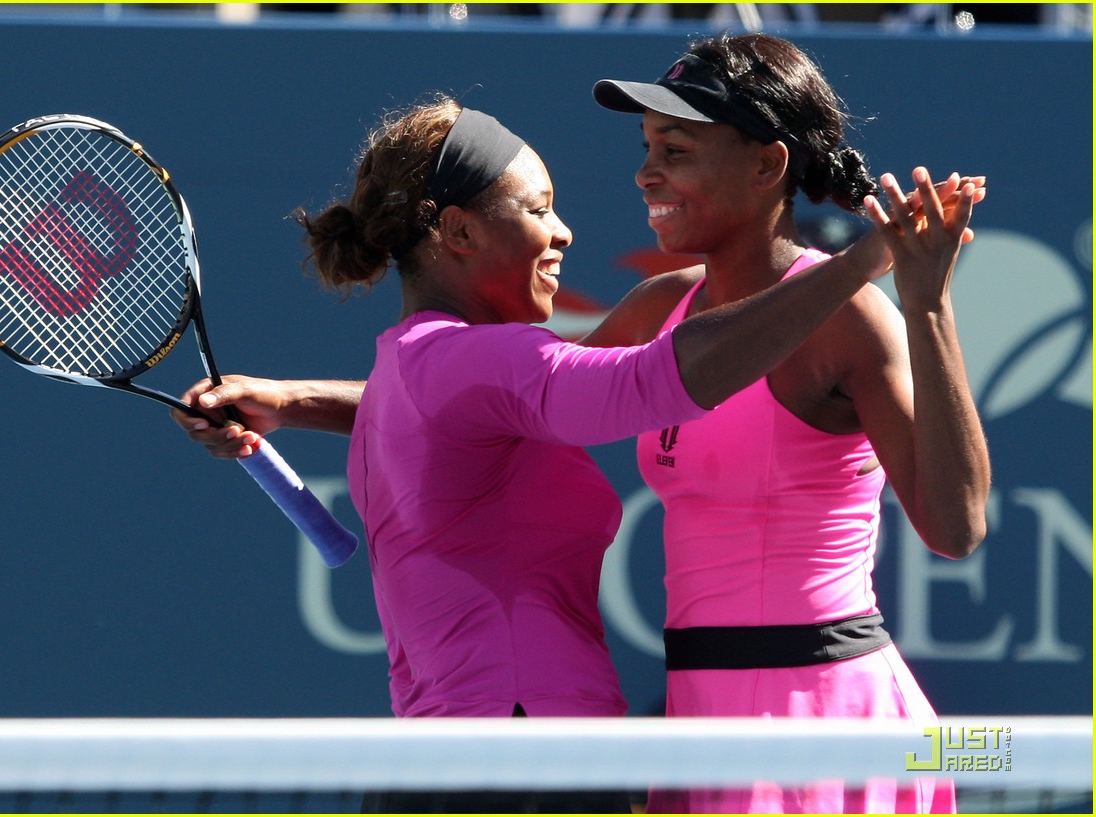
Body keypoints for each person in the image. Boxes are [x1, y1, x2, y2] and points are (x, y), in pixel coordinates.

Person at [172, 94, 976, 813]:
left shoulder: (411, 367)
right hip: (528, 761)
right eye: (539, 208)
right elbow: (655, 378)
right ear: (457, 232)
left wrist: (291, 400)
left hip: (448, 761)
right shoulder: (486, 361)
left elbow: (474, 402)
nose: (564, 231)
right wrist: (870, 258)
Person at [581, 33, 990, 813]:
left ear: (768, 165)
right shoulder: (656, 308)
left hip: (831, 719)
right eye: (645, 147)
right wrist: (292, 403)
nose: (646, 172)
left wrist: (927, 303)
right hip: (697, 713)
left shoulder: (851, 321)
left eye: (676, 148)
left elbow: (956, 525)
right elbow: (512, 402)